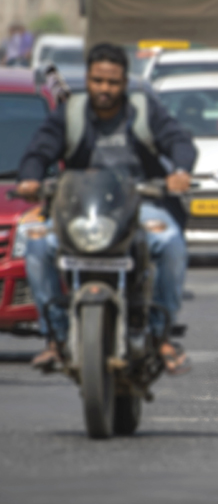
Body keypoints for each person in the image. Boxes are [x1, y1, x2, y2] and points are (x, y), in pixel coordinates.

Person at [17, 43, 197, 373]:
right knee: (37, 242)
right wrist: (31, 178)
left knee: (170, 242)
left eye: (112, 82)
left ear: (124, 82)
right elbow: (39, 150)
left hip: (141, 206)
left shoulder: (144, 111)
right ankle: (55, 337)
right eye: (98, 81)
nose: (105, 89)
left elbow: (178, 141)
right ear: (88, 79)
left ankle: (161, 335)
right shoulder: (69, 114)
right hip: (82, 210)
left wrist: (180, 172)